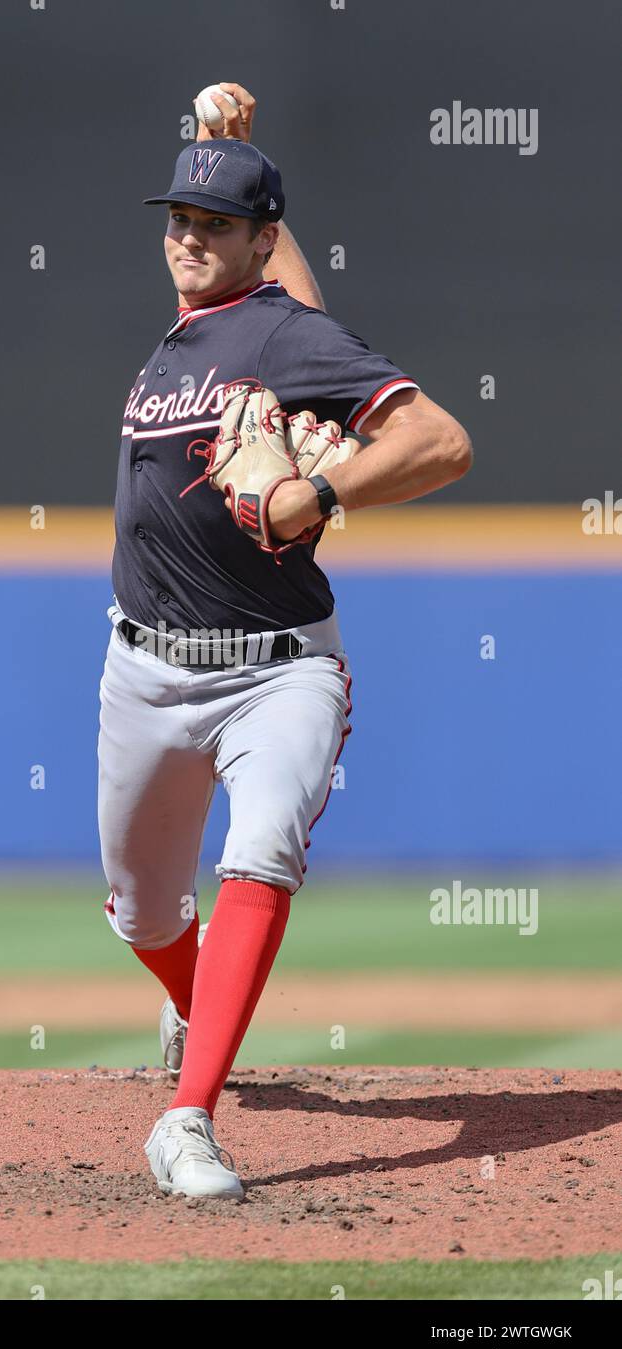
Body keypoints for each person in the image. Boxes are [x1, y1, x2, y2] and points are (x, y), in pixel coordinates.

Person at [97, 83, 472, 1199]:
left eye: (214, 225)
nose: (187, 239)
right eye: (178, 220)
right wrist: (229, 160)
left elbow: (440, 440)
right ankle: (187, 989)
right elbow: (288, 306)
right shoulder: (198, 334)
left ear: (258, 240)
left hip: (279, 671)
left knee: (261, 847)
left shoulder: (280, 331)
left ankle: (187, 1121)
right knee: (138, 910)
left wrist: (320, 489)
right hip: (143, 669)